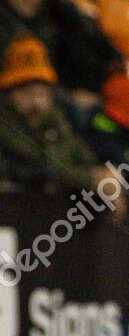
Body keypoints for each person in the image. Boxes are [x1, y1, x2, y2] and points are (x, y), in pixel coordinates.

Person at [0, 35, 122, 216]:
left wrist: (105, 175)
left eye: (42, 94)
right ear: (9, 94)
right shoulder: (6, 124)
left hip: (52, 218)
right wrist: (91, 179)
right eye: (27, 93)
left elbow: (83, 157)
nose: (36, 102)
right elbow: (37, 169)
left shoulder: (56, 120)